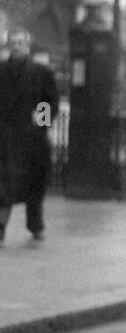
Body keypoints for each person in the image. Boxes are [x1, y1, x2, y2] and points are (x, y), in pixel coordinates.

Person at [0, 28, 59, 244]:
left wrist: (40, 126)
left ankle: (35, 225)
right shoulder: (1, 71)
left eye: (20, 43)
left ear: (27, 46)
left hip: (31, 139)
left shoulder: (41, 73)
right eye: (12, 43)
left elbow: (48, 101)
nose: (15, 46)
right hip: (5, 138)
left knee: (35, 185)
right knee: (3, 186)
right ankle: (0, 228)